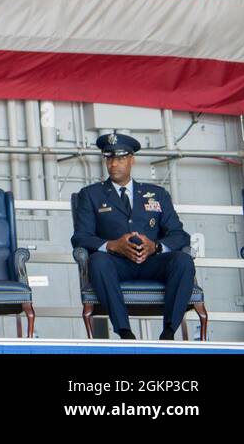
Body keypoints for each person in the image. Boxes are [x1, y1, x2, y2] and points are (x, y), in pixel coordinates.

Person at [70, 131, 194, 340]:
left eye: (119, 158)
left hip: (152, 263)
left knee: (183, 260)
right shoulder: (91, 194)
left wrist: (155, 246)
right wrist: (112, 245)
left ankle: (169, 332)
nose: (113, 164)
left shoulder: (157, 194)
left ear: (131, 160)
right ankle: (125, 332)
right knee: (98, 261)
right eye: (109, 158)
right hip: (116, 265)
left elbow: (179, 235)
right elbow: (80, 237)